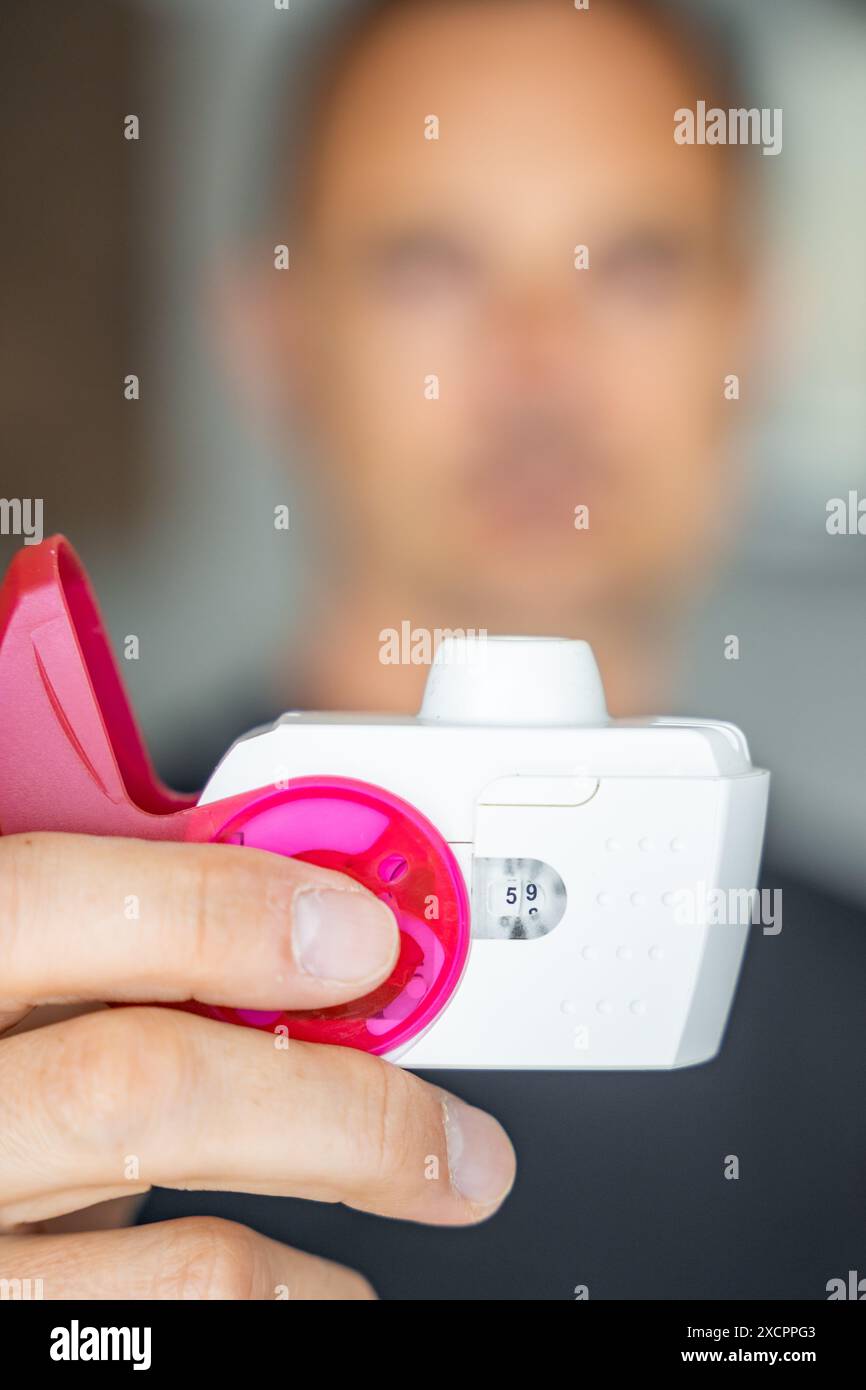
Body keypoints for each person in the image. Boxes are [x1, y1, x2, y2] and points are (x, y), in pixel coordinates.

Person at [1, 0, 862, 1301]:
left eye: (633, 265)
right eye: (431, 265)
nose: (538, 365)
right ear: (270, 334)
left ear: (756, 332)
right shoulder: (49, 966)